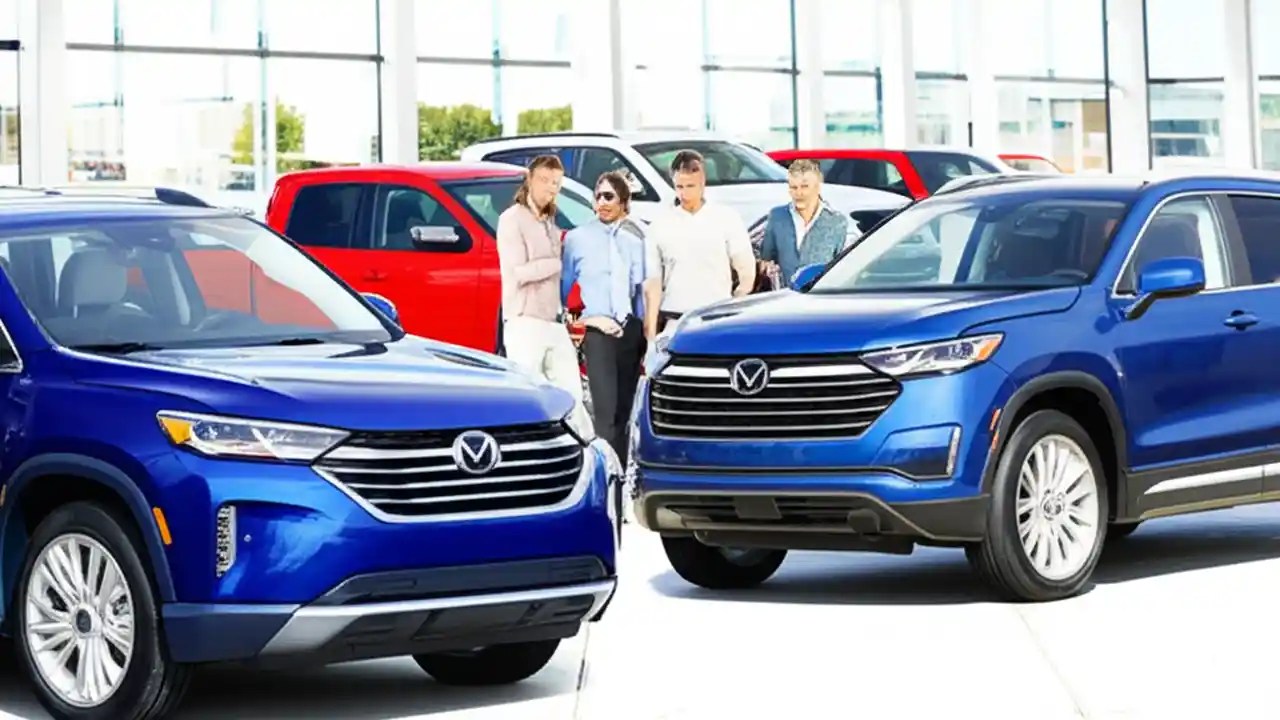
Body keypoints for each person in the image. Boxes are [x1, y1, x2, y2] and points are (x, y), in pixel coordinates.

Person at [561, 171, 654, 460]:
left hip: (630, 330)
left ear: (624, 202)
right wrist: (576, 323)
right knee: (605, 413)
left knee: (625, 412)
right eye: (598, 196)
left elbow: (644, 288)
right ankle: (607, 473)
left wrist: (646, 334)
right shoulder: (577, 239)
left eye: (609, 196)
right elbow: (563, 289)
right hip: (598, 331)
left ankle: (625, 478)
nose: (602, 202)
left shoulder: (637, 237)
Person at [495, 154, 589, 433]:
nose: (551, 188)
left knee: (573, 398)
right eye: (545, 180)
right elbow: (518, 272)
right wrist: (557, 262)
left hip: (553, 321)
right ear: (530, 180)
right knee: (528, 399)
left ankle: (587, 454)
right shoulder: (511, 219)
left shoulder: (550, 223)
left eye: (556, 183)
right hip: (524, 322)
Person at [643, 149, 756, 339]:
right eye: (679, 186)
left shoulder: (726, 218)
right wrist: (650, 336)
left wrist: (734, 303)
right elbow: (652, 284)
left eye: (690, 186)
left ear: (702, 183)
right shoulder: (660, 224)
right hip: (675, 317)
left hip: (717, 316)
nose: (685, 193)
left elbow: (746, 270)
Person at [758, 158, 851, 287]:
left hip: (821, 297)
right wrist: (767, 266)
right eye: (793, 187)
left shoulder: (836, 222)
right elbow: (766, 257)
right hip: (785, 298)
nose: (799, 193)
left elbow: (844, 267)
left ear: (818, 187)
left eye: (805, 186)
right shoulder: (777, 217)